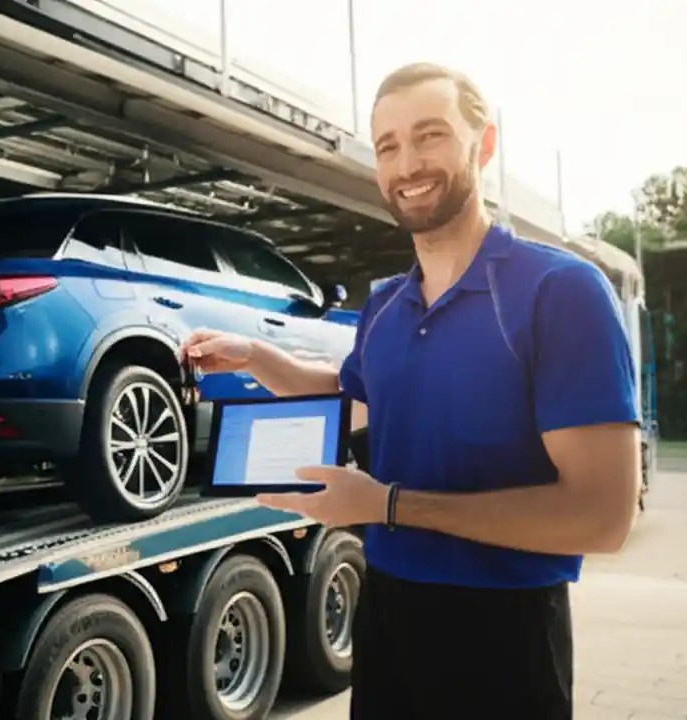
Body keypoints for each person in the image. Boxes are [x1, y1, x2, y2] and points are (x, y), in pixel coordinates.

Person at [180, 62, 640, 719]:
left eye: (430, 136)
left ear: (484, 145)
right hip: (389, 612)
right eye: (388, 145)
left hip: (504, 634)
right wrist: (255, 355)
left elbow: (601, 516)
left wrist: (386, 506)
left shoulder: (560, 292)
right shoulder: (387, 305)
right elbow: (351, 397)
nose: (407, 163)